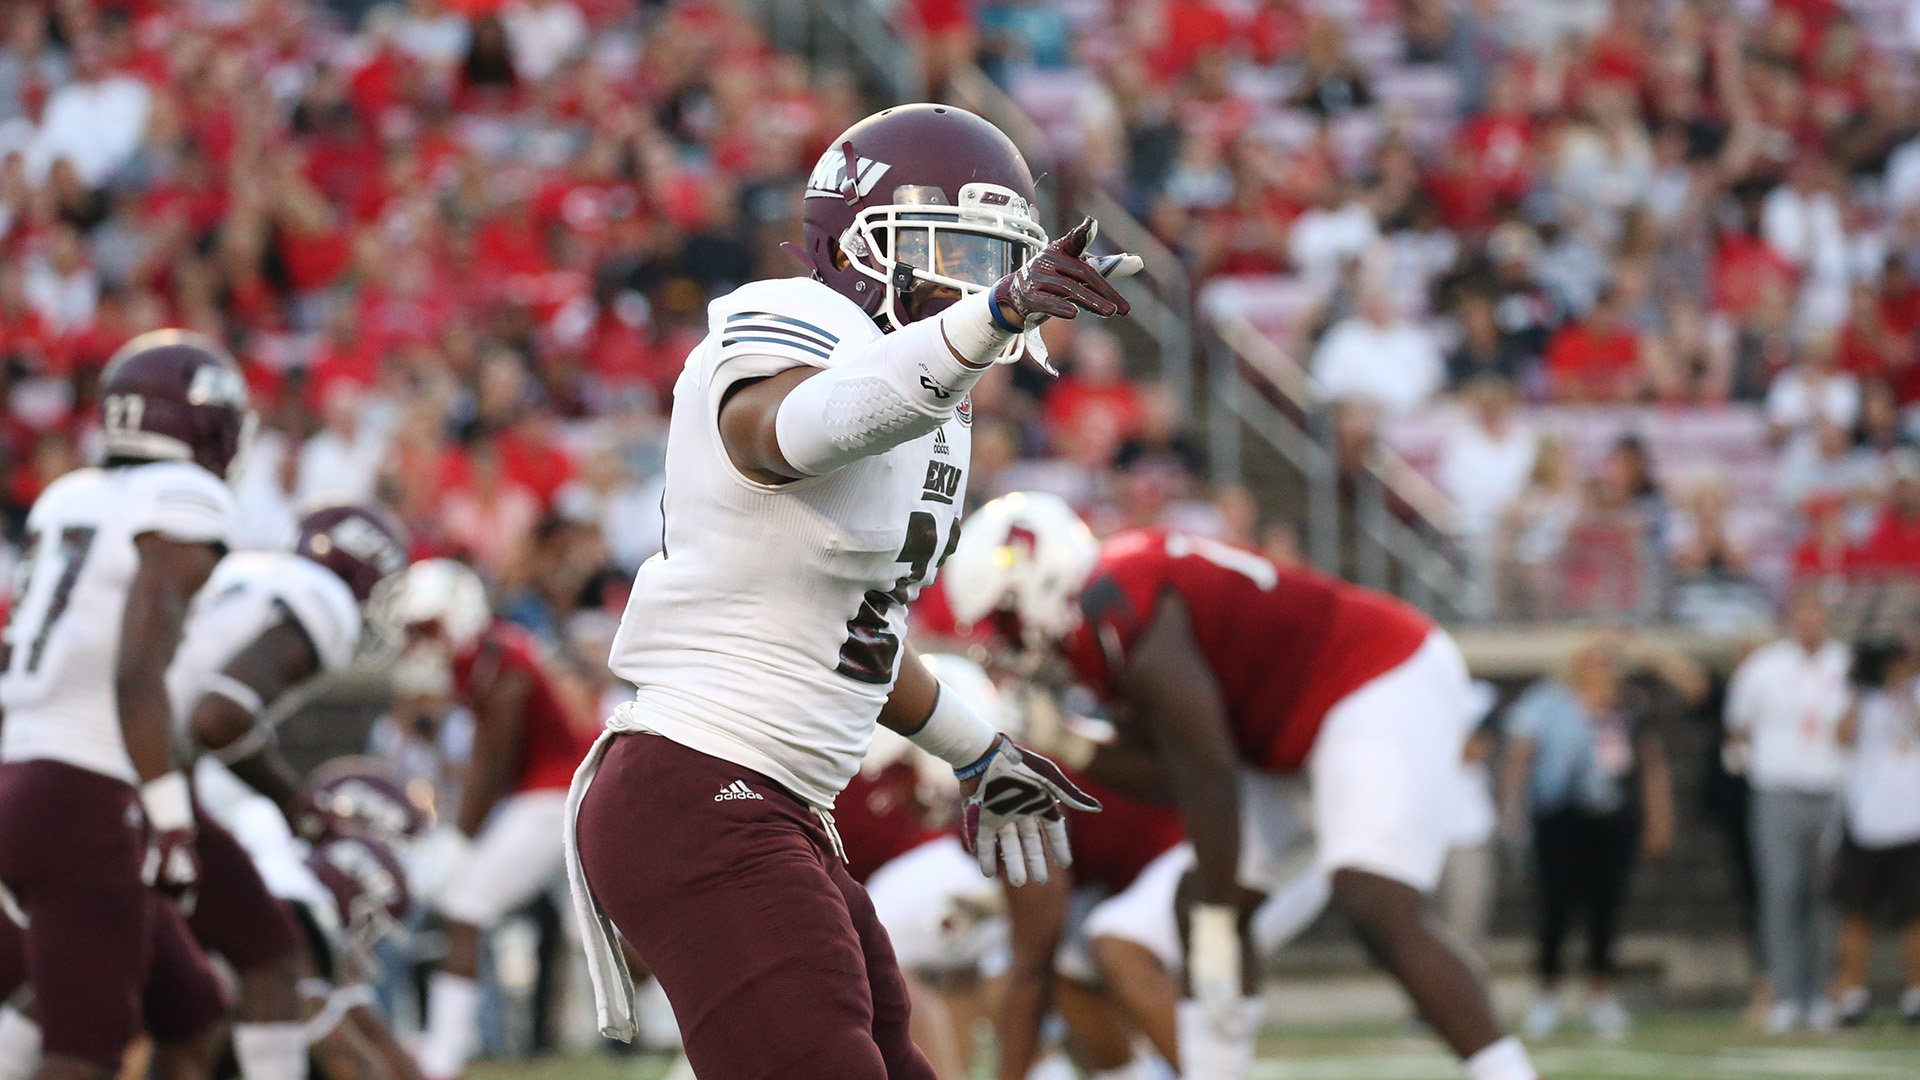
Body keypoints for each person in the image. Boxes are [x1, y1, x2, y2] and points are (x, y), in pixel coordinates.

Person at [567, 103, 1132, 1079]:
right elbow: (787, 433)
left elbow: (861, 634)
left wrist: (977, 750)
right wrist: (985, 320)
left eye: (994, 261)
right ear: (856, 244)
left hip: (775, 805)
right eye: (949, 250)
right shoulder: (805, 324)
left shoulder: (934, 410)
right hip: (703, 785)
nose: (978, 284)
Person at [943, 493, 1539, 1080]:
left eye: (1005, 618)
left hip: (1373, 678)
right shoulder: (1114, 602)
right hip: (1293, 735)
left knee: (1371, 900)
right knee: (1196, 899)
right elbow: (1173, 773)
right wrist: (1071, 742)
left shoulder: (1118, 605)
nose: (1009, 642)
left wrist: (1218, 921)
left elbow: (1207, 771)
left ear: (1040, 577)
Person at [0, 504, 415, 1080]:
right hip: (112, 777)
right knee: (265, 955)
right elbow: (218, 717)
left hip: (70, 765)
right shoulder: (321, 599)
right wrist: (293, 803)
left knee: (180, 1006)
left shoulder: (247, 568)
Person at [0, 331, 249, 1080]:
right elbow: (136, 672)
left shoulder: (71, 495)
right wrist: (170, 813)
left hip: (25, 770)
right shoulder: (185, 500)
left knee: (192, 1012)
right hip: (86, 785)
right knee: (85, 1057)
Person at [386, 558, 597, 1080]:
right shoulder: (484, 656)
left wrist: (459, 839)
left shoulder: (498, 657)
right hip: (553, 793)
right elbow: (485, 762)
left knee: (465, 908)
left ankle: (442, 1057)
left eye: (424, 626)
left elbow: (493, 763)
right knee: (605, 929)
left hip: (559, 793)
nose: (418, 640)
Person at [1498, 634, 1678, 1038]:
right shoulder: (1547, 700)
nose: (1602, 669)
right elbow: (1520, 754)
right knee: (1555, 907)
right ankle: (1547, 994)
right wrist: (1512, 808)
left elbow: (1651, 763)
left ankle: (1601, 994)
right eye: (1594, 660)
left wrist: (1659, 817)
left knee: (1607, 908)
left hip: (1613, 815)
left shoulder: (1629, 706)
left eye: (1608, 661)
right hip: (1560, 816)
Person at [1724, 588, 1852, 1032]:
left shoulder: (1846, 664)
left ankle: (1818, 994)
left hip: (1833, 790)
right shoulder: (1764, 666)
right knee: (1781, 892)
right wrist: (1751, 765)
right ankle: (1782, 994)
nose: (1810, 621)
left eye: (1817, 612)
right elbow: (1737, 726)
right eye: (1802, 611)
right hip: (1777, 791)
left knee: (1824, 896)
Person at [1829, 636, 1920, 1028]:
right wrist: (1859, 690)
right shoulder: (1859, 697)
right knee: (1856, 911)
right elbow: (1841, 737)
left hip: (1912, 819)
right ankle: (1851, 995)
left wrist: (1903, 691)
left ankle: (1916, 994)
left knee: (1915, 913)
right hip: (1865, 819)